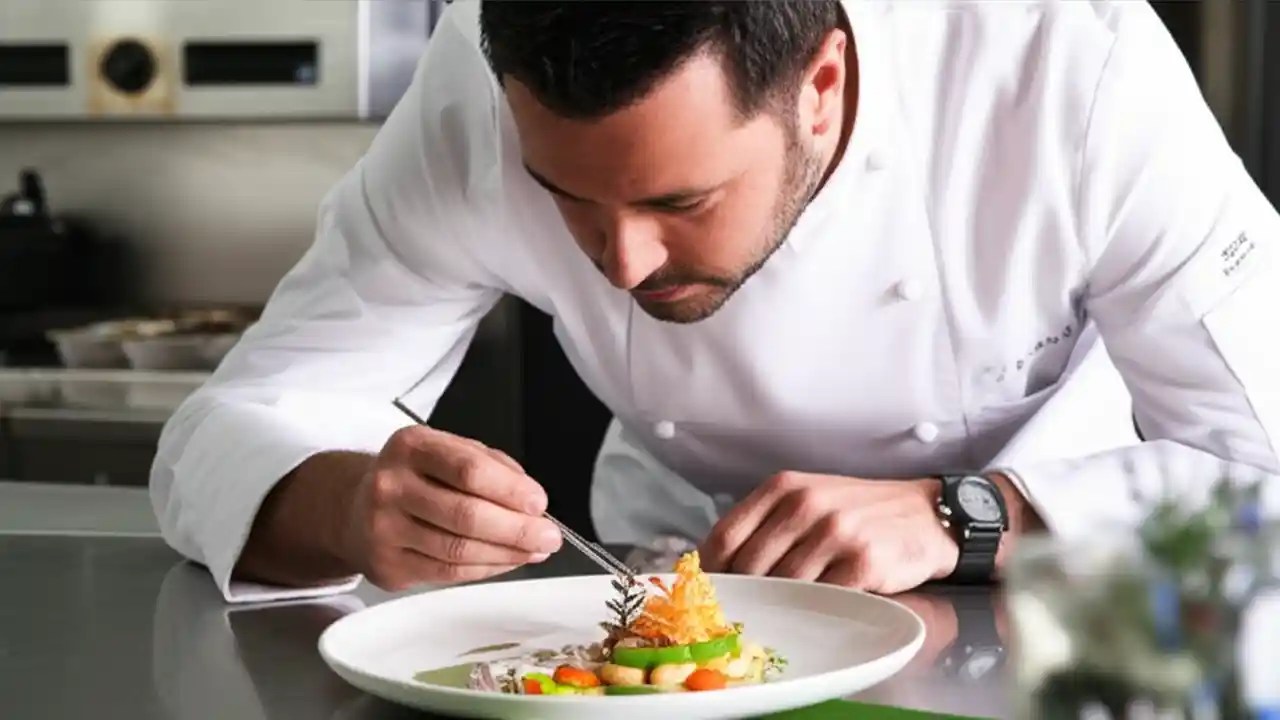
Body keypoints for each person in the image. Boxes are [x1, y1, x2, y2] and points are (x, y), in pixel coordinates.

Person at [150, 0, 1278, 603]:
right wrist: (345, 505)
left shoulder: (1071, 75)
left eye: (680, 199)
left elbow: (1258, 471)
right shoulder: (470, 95)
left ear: (820, 87)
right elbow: (232, 423)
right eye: (566, 201)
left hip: (1053, 586)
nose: (624, 266)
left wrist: (969, 515)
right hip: (674, 586)